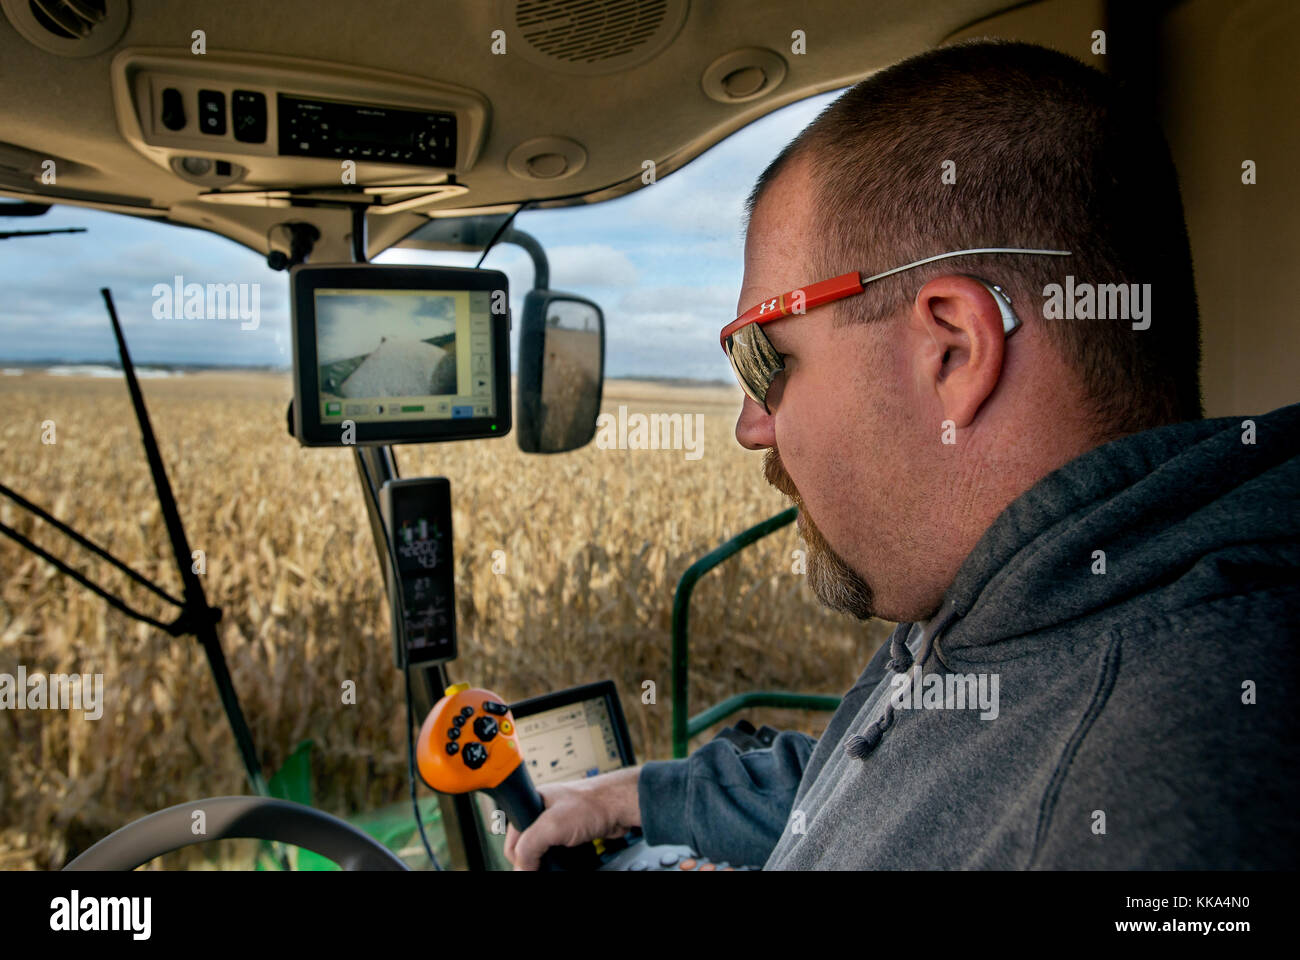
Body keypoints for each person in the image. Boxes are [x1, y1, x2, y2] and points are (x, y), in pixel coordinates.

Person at [505, 39, 1300, 870]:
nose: (751, 424)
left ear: (952, 350)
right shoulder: (1015, 614)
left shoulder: (1146, 806)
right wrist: (629, 797)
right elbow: (903, 791)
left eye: (762, 358)